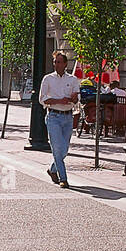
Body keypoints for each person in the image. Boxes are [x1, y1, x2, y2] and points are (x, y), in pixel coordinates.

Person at [39, 50, 81, 189]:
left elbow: (76, 99)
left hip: (68, 117)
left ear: (65, 64)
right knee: (57, 148)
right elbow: (42, 99)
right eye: (55, 62)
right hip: (53, 116)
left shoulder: (73, 80)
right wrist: (58, 101)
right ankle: (63, 178)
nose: (56, 65)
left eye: (59, 62)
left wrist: (74, 98)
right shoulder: (48, 79)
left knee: (64, 150)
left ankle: (52, 169)